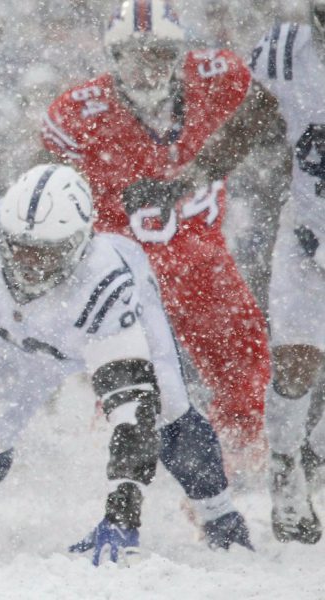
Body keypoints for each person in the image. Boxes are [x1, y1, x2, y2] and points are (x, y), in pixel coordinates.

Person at [0, 164, 252, 565]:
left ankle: (219, 515)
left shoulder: (103, 283)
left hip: (88, 335)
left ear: (80, 243)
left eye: (45, 253)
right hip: (13, 343)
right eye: (20, 248)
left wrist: (123, 514)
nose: (30, 265)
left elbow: (133, 414)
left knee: (168, 409)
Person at [41, 0, 288, 449]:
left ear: (179, 55)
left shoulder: (217, 78)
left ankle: (233, 466)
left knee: (248, 365)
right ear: (115, 58)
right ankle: (106, 469)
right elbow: (46, 188)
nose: (147, 67)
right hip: (125, 272)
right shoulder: (81, 115)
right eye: (135, 54)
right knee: (128, 386)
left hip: (202, 261)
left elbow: (269, 108)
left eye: (158, 53)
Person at [247, 1, 325, 545]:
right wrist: (197, 173)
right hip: (307, 234)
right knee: (296, 361)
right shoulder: (284, 54)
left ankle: (311, 454)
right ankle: (283, 466)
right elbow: (248, 124)